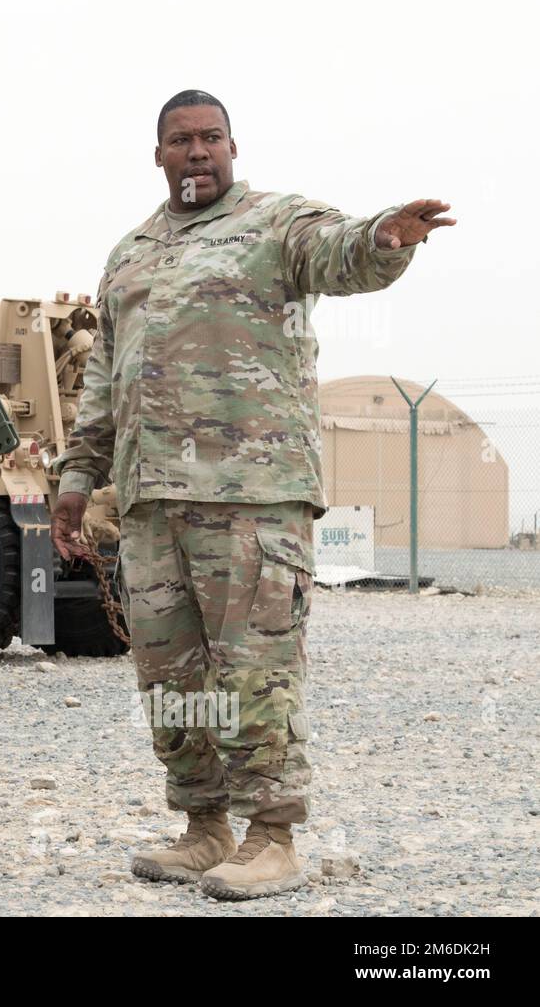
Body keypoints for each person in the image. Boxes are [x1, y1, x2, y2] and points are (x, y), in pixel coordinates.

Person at [51, 89, 454, 900]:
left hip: (253, 496)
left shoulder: (275, 224)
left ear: (233, 147)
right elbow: (104, 375)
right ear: (158, 154)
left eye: (211, 138)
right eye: (181, 140)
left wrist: (384, 237)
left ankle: (272, 834)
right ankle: (204, 827)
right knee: (170, 675)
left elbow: (340, 251)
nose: (198, 152)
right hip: (150, 502)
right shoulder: (129, 253)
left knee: (255, 669)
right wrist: (75, 475)